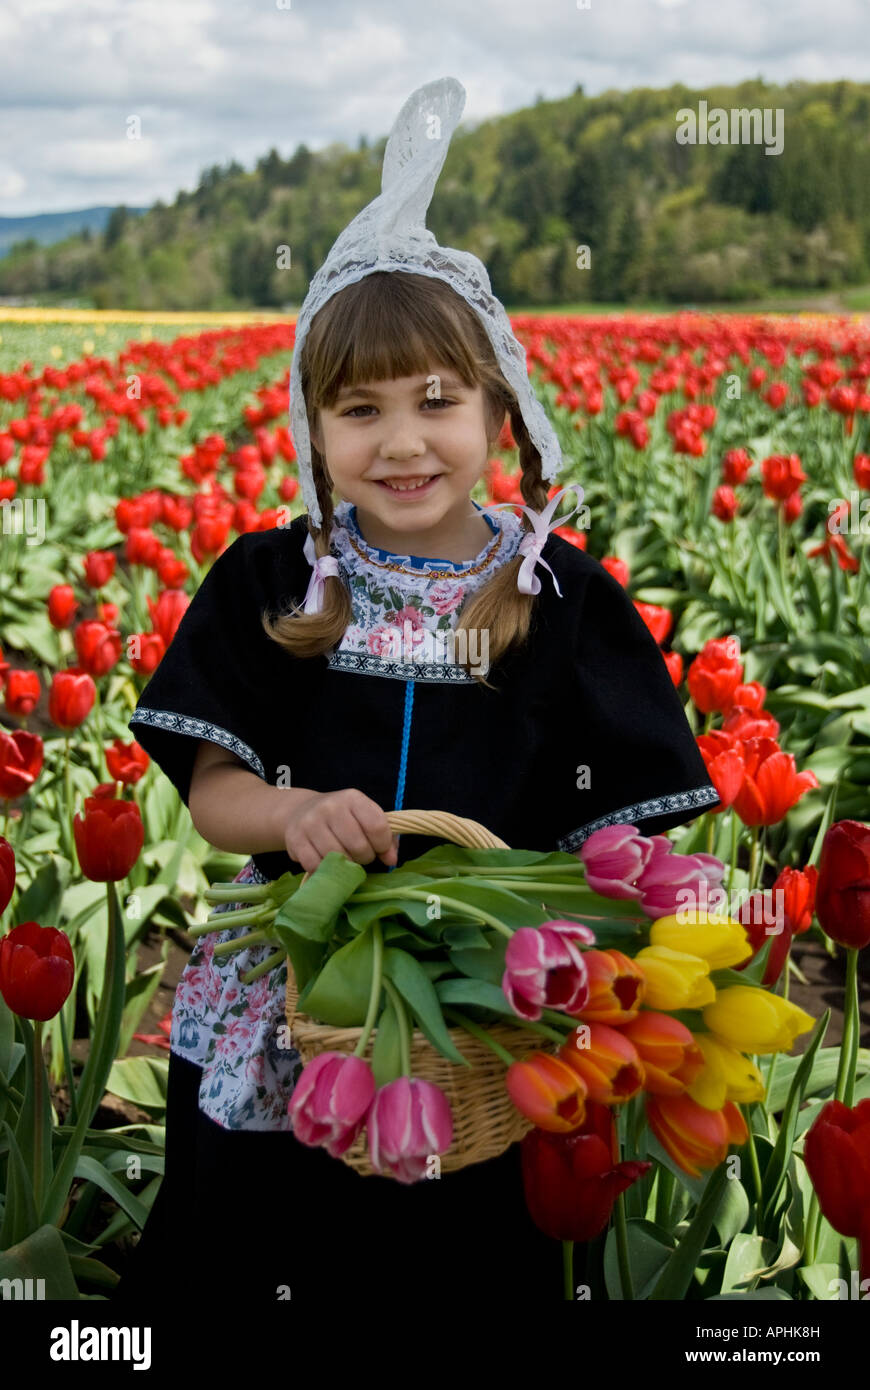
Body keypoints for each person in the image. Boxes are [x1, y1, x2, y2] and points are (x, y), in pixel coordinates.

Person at [112, 78, 719, 1304]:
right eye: (360, 409)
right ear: (314, 427)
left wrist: (673, 926)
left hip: (492, 1013)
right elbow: (212, 787)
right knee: (265, 1243)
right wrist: (286, 818)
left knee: (456, 1259)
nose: (402, 442)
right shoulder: (279, 582)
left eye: (439, 400)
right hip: (295, 998)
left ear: (500, 408)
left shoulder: (562, 601)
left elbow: (627, 834)